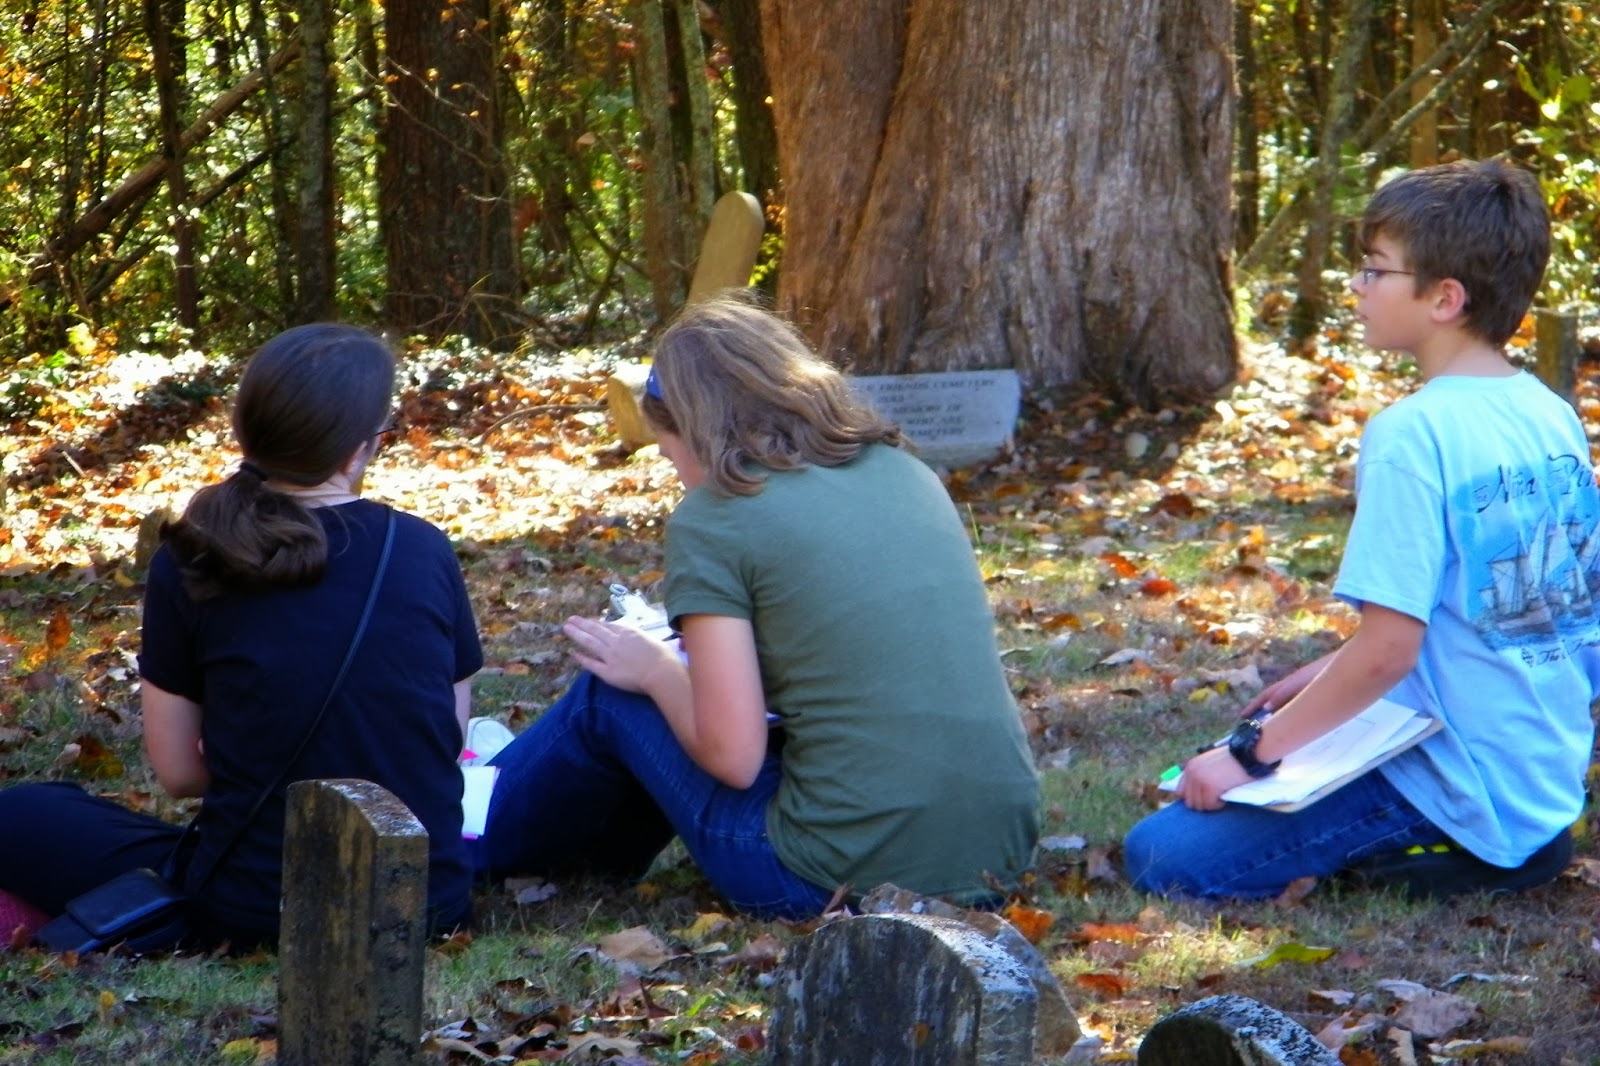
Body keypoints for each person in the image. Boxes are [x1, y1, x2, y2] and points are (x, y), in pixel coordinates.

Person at [476, 295, 1040, 918]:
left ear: (690, 432)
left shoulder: (716, 515)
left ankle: (459, 842)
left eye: (670, 458)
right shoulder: (904, 471)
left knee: (611, 693)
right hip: (994, 856)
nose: (679, 477)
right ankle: (573, 861)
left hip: (834, 879)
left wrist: (657, 672)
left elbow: (734, 759)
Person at [1124, 159, 1598, 900]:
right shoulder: (1548, 411)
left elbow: (1387, 652)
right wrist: (1316, 677)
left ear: (1444, 298)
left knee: (1164, 854)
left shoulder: (1413, 433)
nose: (1357, 286)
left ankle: (1448, 855)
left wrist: (1251, 756)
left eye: (1375, 270)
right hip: (1535, 771)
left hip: (1456, 778)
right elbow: (1516, 611)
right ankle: (1509, 844)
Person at [0, 323, 482, 948]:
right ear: (359, 449)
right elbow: (448, 737)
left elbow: (179, 773)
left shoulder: (193, 555)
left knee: (24, 812)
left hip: (252, 907)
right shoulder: (422, 548)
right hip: (426, 903)